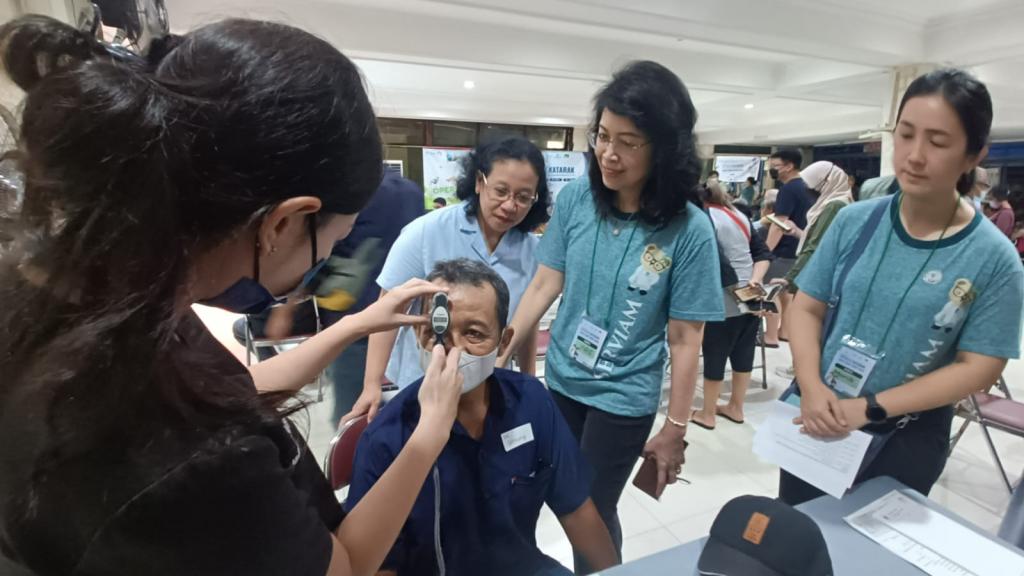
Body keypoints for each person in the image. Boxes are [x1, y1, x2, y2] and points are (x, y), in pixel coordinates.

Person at [0, 15, 469, 576]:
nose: (326, 261)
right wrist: (429, 434)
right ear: (285, 223)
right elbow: (343, 567)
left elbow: (233, 389)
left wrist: (358, 321)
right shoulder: (202, 465)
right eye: (334, 242)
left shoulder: (103, 296)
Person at [498, 61, 724, 570]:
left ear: (664, 148)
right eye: (602, 135)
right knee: (549, 493)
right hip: (562, 379)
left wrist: (676, 425)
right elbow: (545, 282)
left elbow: (687, 338)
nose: (609, 154)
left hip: (623, 395)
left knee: (592, 510)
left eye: (628, 142)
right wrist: (500, 349)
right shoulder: (578, 198)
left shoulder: (688, 231)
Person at [782, 68, 1024, 505]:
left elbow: (980, 366)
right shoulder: (855, 220)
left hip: (904, 436)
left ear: (974, 154)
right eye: (906, 135)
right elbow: (807, 307)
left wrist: (870, 407)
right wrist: (812, 387)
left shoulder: (994, 258)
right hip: (820, 417)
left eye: (937, 142)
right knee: (795, 541)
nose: (913, 155)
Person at [348, 259, 618, 576]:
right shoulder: (386, 438)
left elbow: (578, 511)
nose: (453, 351)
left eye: (474, 333)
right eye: (437, 333)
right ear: (418, 335)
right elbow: (376, 566)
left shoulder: (531, 402)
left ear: (503, 341)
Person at [345, 136, 550, 423]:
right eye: (501, 191)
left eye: (523, 197)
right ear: (479, 182)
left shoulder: (533, 249)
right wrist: (371, 384)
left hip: (489, 386)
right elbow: (388, 312)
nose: (510, 205)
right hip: (424, 380)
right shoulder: (426, 232)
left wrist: (527, 380)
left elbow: (526, 322)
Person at [231, 172, 425, 422]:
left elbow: (318, 258)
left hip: (354, 315)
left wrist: (285, 311)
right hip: (399, 318)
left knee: (353, 413)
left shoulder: (347, 194)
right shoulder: (409, 192)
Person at [690, 181, 772, 430]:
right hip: (752, 292)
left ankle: (707, 413)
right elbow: (762, 253)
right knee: (744, 350)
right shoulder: (739, 215)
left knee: (716, 351)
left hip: (724, 297)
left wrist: (735, 293)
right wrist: (753, 283)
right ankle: (736, 407)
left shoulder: (704, 218)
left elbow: (720, 263)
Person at [773, 161, 855, 380]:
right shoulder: (841, 202)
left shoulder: (834, 206)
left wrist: (791, 278)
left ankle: (803, 370)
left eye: (812, 186)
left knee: (807, 325)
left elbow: (816, 247)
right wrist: (800, 233)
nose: (809, 191)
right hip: (825, 274)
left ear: (825, 182)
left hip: (818, 277)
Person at [763, 148, 813, 347]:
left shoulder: (789, 189)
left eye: (775, 167)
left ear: (789, 166)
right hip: (798, 249)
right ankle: (784, 332)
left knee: (770, 291)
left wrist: (765, 252)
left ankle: (771, 336)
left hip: (783, 250)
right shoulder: (807, 187)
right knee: (787, 293)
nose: (773, 171)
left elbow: (779, 223)